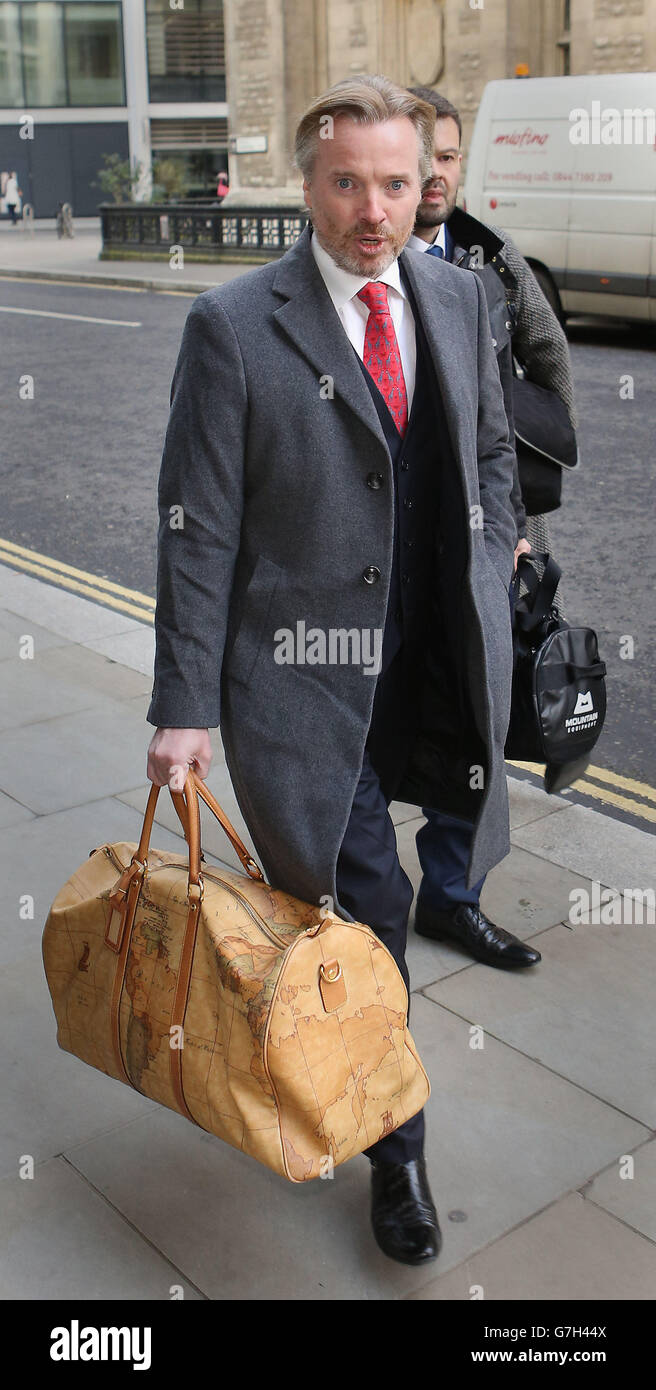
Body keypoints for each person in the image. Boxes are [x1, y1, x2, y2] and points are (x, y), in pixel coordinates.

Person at [146, 74, 516, 1267]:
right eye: (346, 181)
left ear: (427, 185)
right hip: (306, 681)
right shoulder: (235, 326)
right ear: (306, 184)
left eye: (396, 183)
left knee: (418, 865)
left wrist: (494, 549)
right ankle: (395, 1154)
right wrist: (183, 709)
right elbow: (195, 528)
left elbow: (495, 445)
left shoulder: (457, 297)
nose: (373, 208)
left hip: (434, 660)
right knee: (368, 911)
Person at [405, 86, 578, 970]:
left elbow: (549, 373)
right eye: (421, 155)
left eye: (448, 156)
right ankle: (348, 897)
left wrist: (520, 514)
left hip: (490, 536)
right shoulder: (364, 252)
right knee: (371, 713)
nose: (434, 174)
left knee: (476, 719)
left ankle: (452, 896)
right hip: (389, 543)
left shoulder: (493, 260)